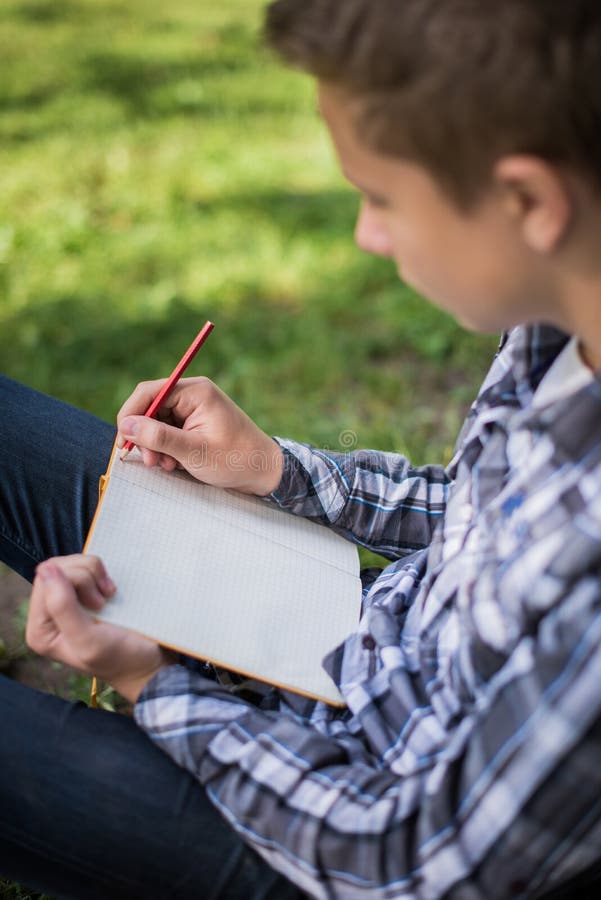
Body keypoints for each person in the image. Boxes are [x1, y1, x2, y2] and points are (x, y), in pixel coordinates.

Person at [2, 0, 601, 896]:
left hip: (340, 839)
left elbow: (414, 865)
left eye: (380, 196)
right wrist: (280, 473)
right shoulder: (560, 330)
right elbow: (485, 513)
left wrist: (154, 683)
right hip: (355, 645)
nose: (366, 233)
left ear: (527, 202)